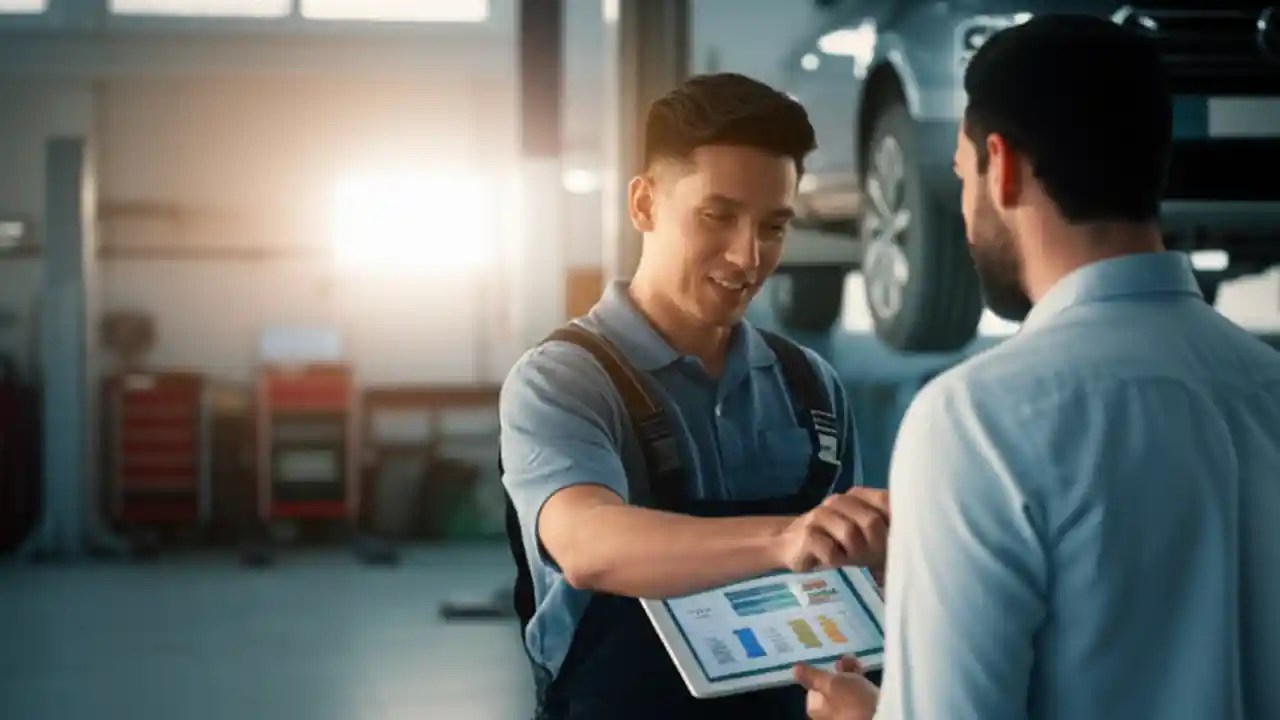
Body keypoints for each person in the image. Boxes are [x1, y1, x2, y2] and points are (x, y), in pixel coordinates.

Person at [793, 14, 1280, 720]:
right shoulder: (1266, 386)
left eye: (962, 176)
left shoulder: (975, 422)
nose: (965, 215)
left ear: (1003, 166)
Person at [499, 72, 889, 720]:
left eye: (774, 226)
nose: (748, 257)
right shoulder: (561, 381)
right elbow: (587, 543)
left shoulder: (811, 387)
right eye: (718, 216)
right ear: (644, 204)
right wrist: (785, 538)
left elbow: (842, 579)